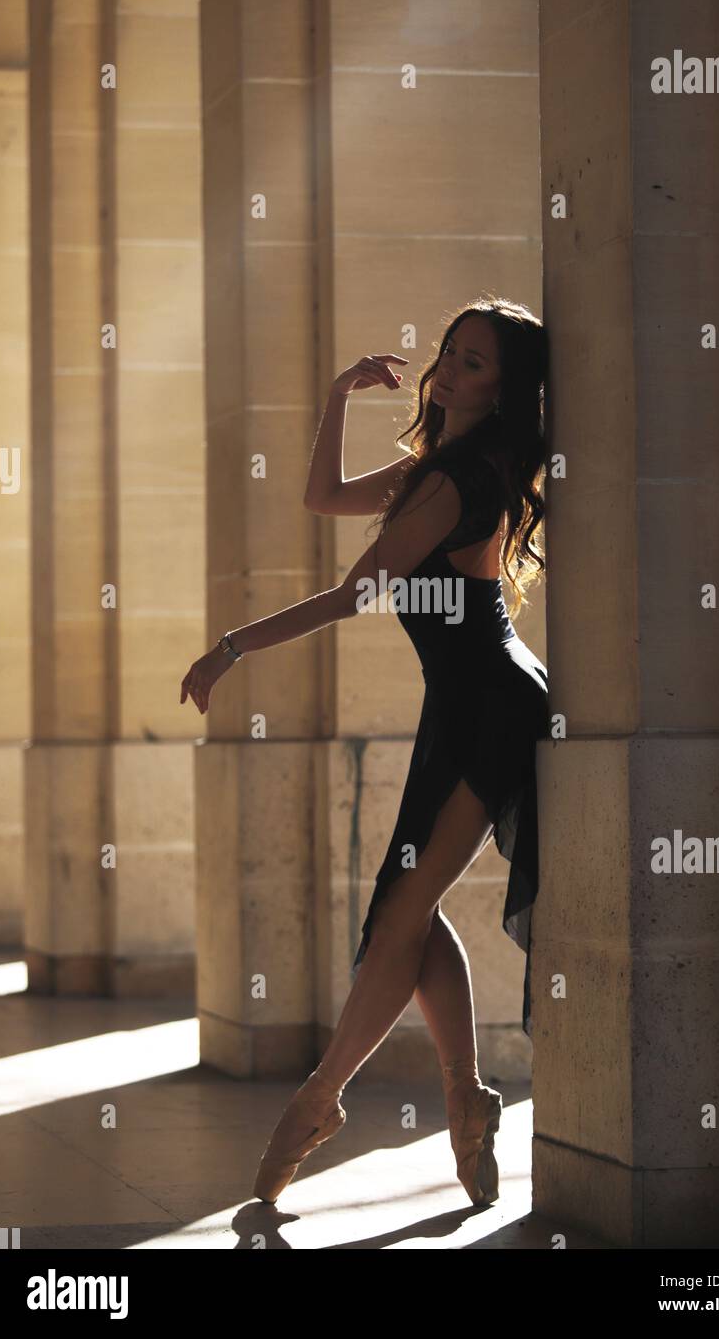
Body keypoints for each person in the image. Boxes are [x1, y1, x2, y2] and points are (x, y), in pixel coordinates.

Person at [180, 295, 550, 1208]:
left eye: (474, 363)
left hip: (492, 708)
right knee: (406, 907)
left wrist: (233, 646)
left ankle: (319, 1098)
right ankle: (465, 1099)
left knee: (401, 912)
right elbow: (320, 497)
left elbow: (355, 595)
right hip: (459, 705)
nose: (450, 371)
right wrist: (340, 392)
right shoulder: (441, 466)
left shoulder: (457, 479)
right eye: (451, 353)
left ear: (503, 389)